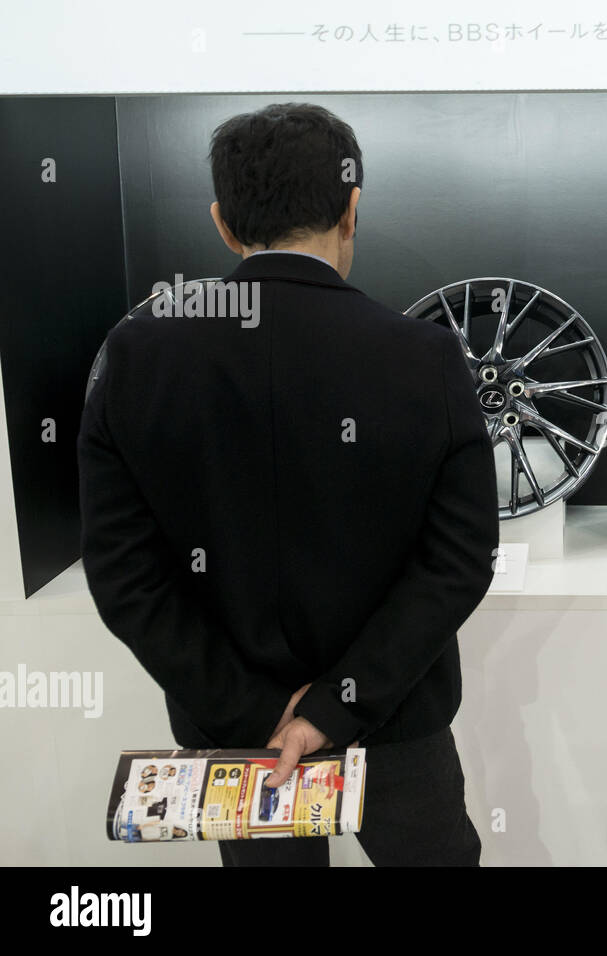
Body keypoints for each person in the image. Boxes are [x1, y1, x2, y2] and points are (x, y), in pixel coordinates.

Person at [77, 102, 498, 866]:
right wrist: (339, 705)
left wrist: (258, 711)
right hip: (393, 716)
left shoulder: (137, 358)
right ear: (352, 208)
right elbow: (459, 560)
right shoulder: (426, 357)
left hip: (240, 736)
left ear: (223, 224)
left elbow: (124, 576)